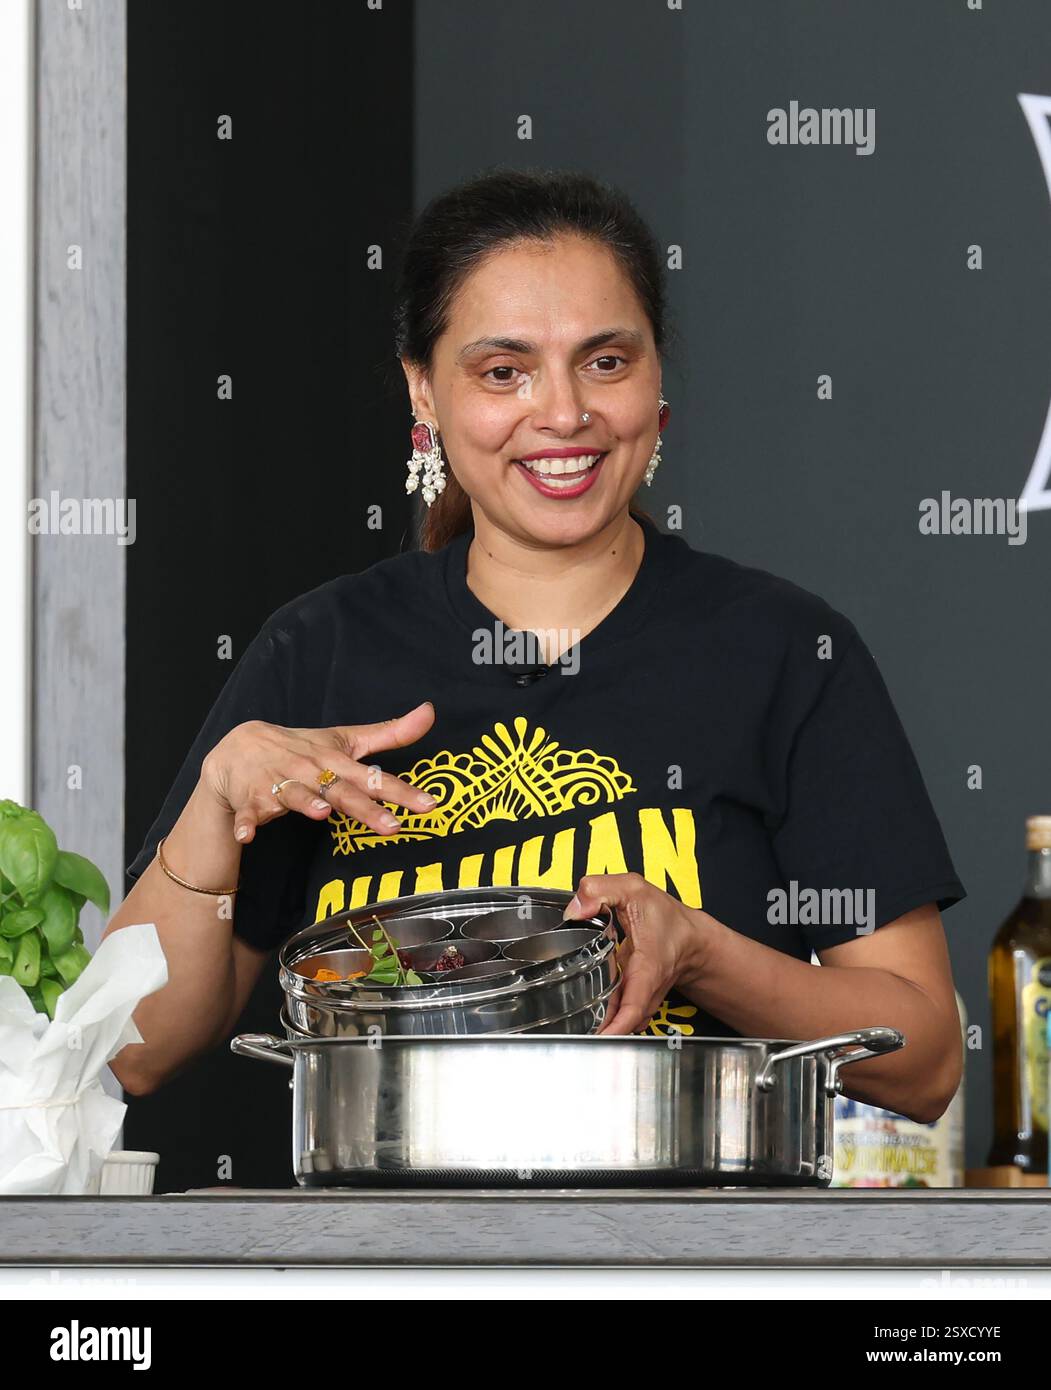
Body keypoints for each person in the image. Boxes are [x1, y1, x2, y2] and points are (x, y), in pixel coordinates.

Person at [105, 167, 965, 1120]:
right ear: (422, 390)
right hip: (385, 1263)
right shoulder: (318, 649)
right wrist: (216, 799)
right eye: (502, 370)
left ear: (656, 380)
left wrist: (703, 951)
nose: (562, 413)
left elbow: (922, 1060)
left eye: (605, 361)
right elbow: (134, 1056)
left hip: (690, 1261)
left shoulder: (783, 651)